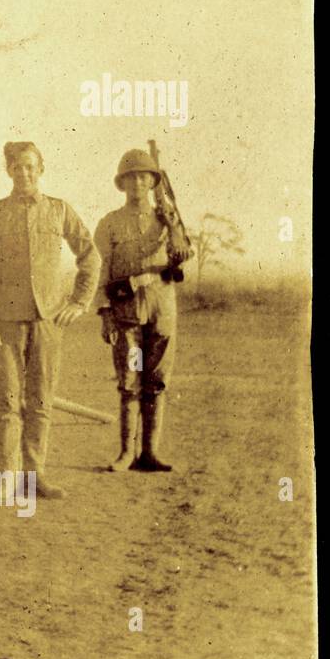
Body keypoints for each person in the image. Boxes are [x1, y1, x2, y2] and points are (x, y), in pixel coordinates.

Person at [0, 142, 100, 498]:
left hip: (48, 320)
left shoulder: (60, 211)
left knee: (40, 400)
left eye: (30, 167)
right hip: (6, 322)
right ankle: (8, 479)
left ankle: (34, 476)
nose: (23, 173)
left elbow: (90, 255)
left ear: (40, 169)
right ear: (8, 170)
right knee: (8, 402)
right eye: (16, 167)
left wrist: (80, 301)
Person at [95, 149, 182, 473]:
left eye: (143, 177)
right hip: (127, 312)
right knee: (129, 381)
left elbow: (181, 254)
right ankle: (126, 454)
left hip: (162, 308)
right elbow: (100, 269)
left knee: (157, 381)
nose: (137, 183)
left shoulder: (166, 220)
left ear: (152, 182)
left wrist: (174, 229)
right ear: (122, 183)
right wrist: (105, 313)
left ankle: (150, 453)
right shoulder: (110, 223)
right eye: (130, 177)